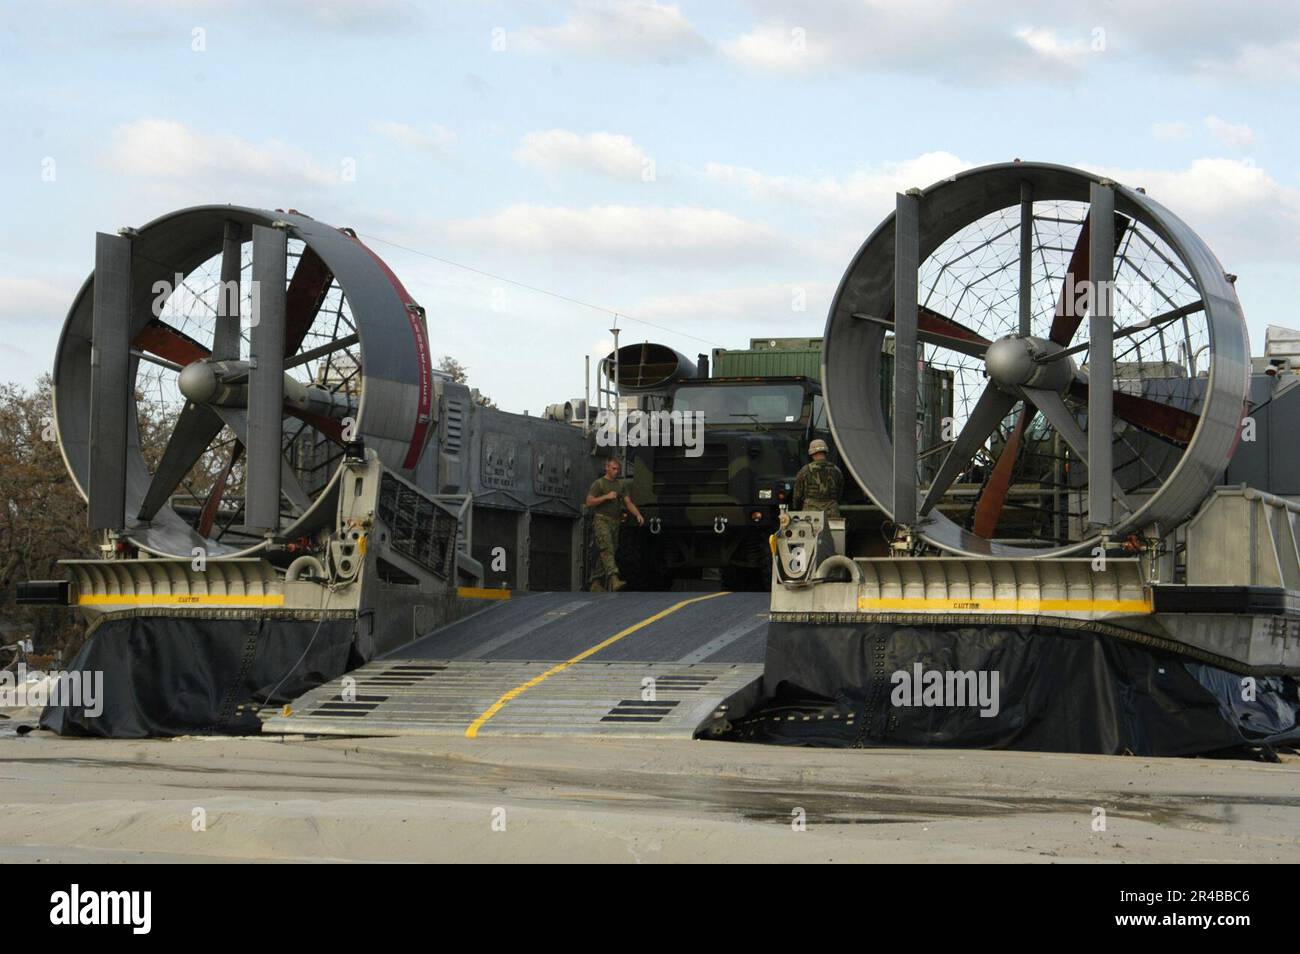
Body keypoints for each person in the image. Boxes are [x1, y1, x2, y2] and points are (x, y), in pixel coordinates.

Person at [585, 456, 644, 592]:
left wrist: (638, 514)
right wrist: (606, 497)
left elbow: (628, 502)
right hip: (601, 520)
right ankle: (613, 578)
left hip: (614, 522)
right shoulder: (599, 484)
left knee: (609, 550)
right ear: (607, 468)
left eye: (618, 469)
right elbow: (589, 502)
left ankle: (595, 582)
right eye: (614, 469)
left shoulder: (621, 485)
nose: (616, 471)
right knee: (607, 548)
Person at [792, 438, 844, 517]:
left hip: (811, 512)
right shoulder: (836, 470)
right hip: (831, 511)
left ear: (812, 453)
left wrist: (796, 506)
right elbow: (840, 491)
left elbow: (797, 494)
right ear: (825, 452)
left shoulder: (805, 470)